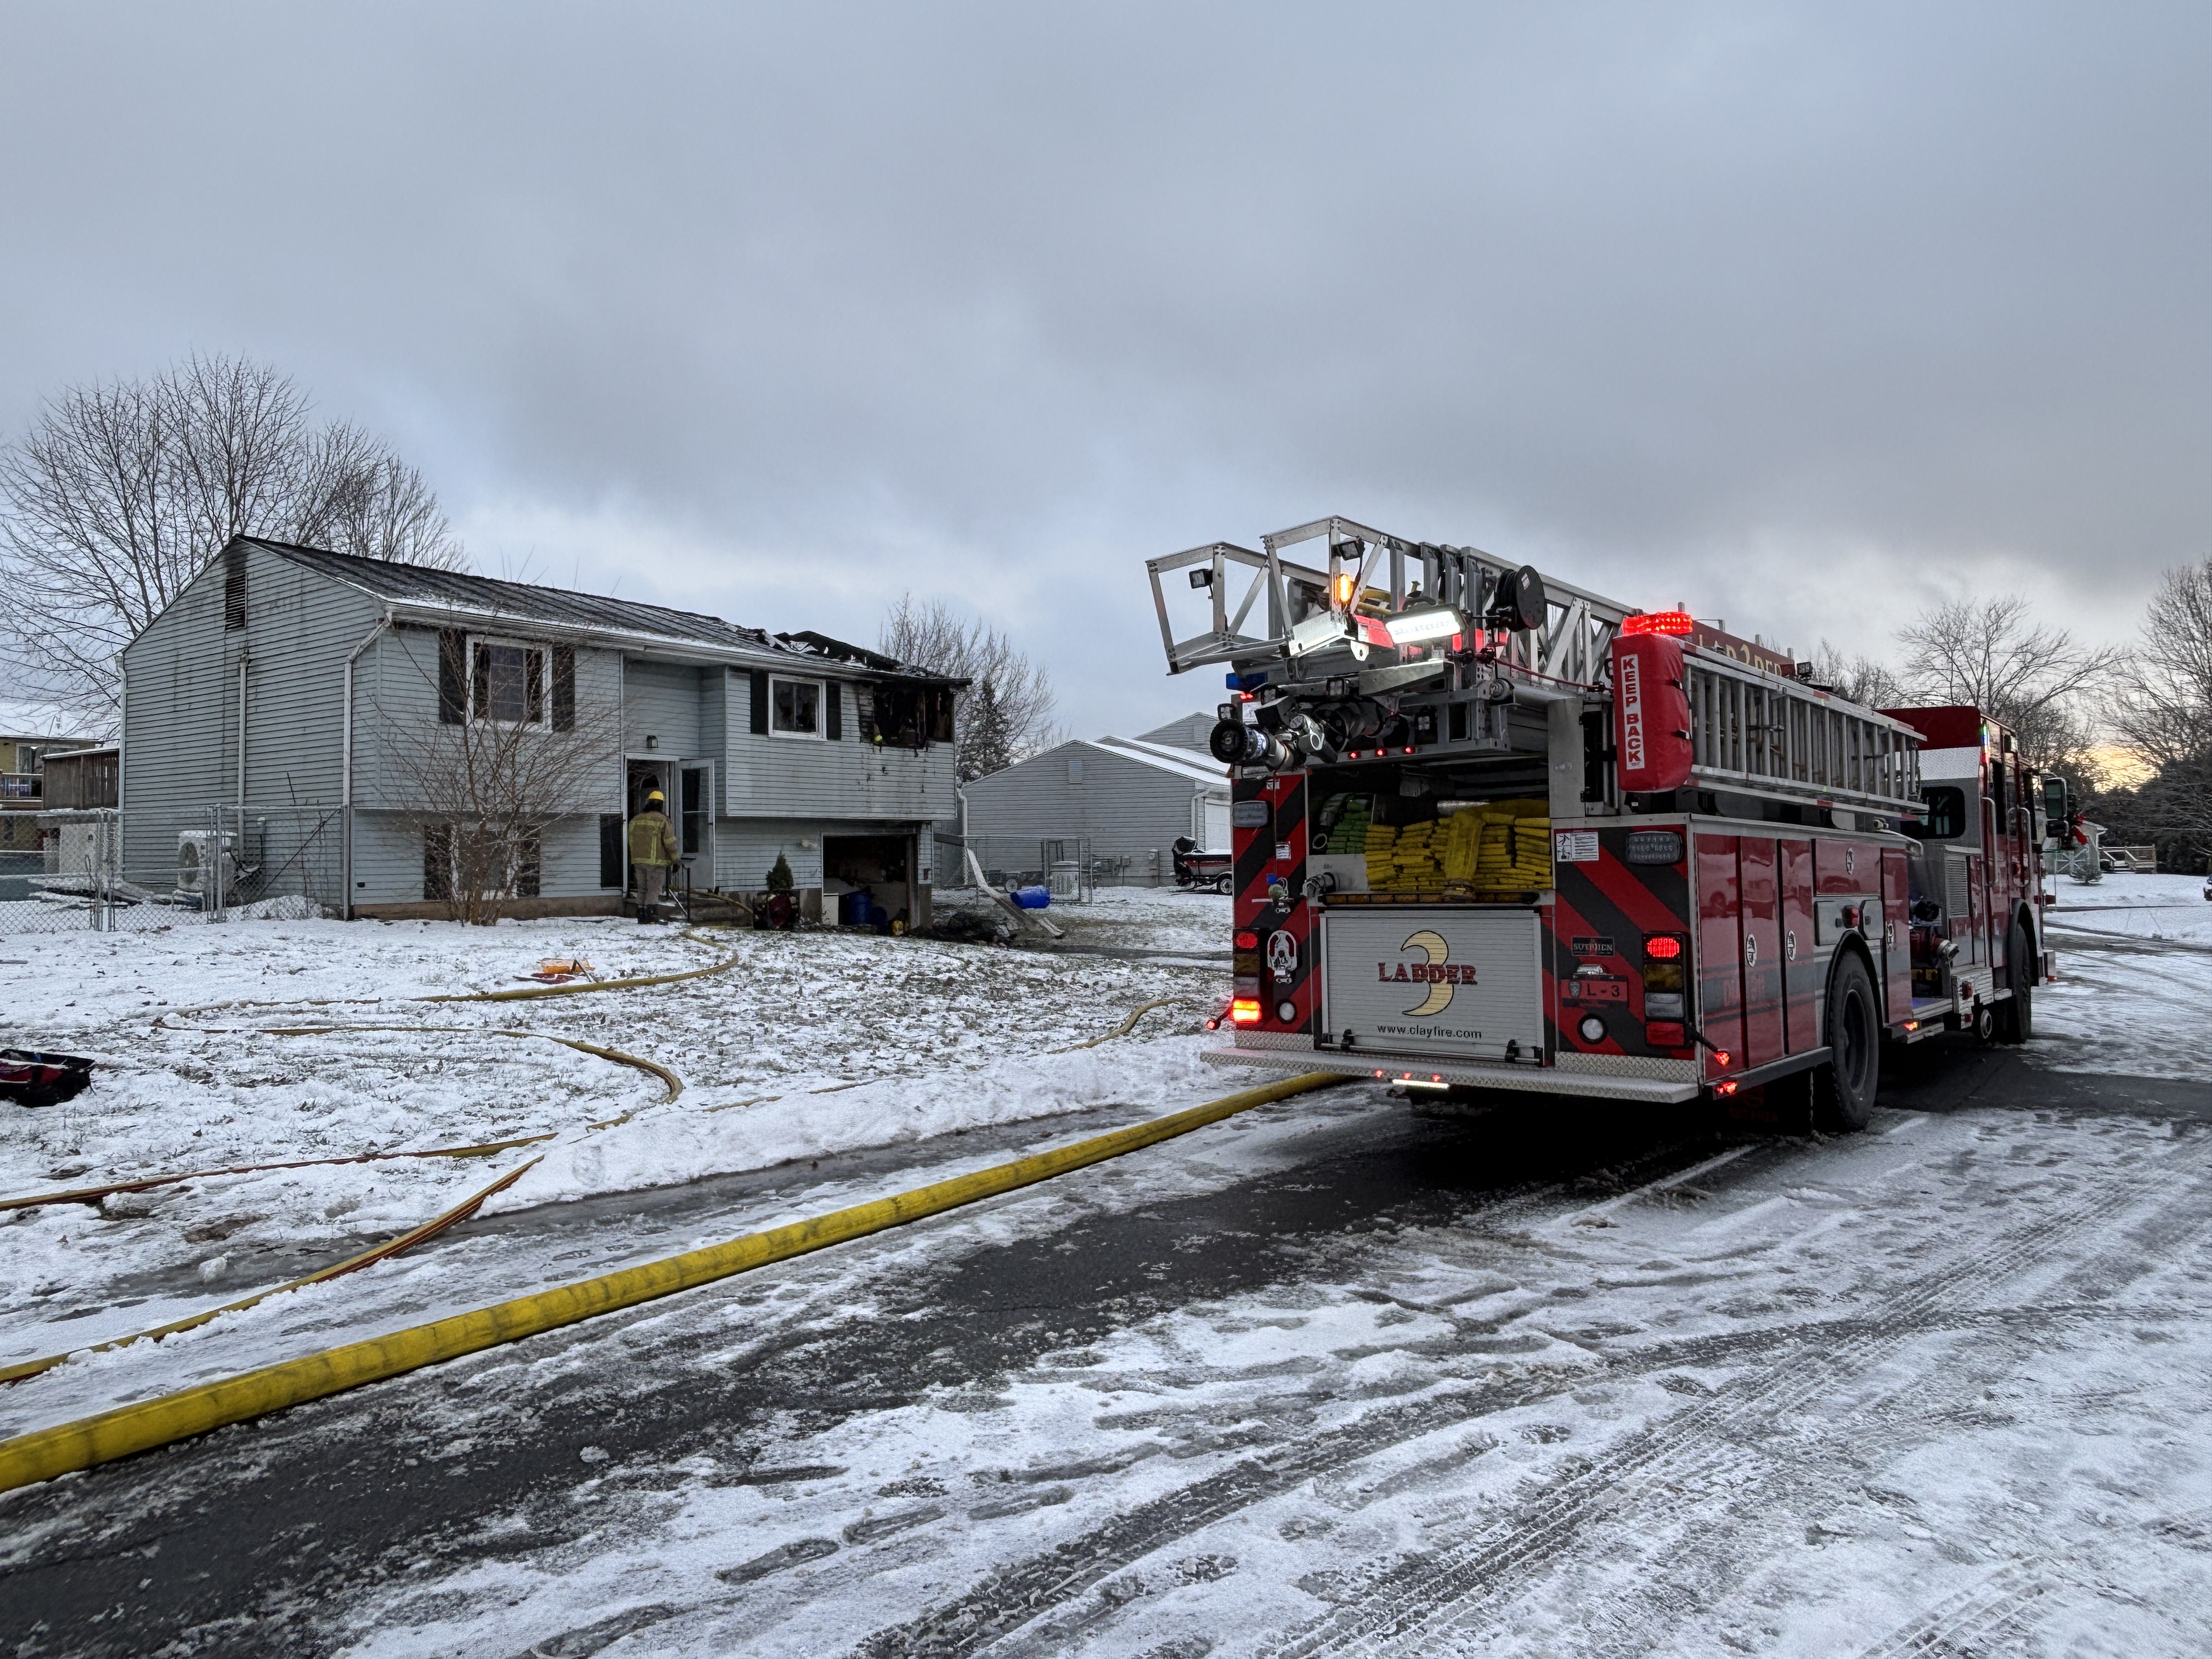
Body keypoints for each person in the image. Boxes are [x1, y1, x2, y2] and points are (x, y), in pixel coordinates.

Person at [628, 789, 680, 923]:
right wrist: (676, 860)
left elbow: (631, 840)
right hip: (656, 862)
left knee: (642, 888)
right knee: (654, 889)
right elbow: (669, 842)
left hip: (638, 860)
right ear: (661, 805)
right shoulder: (663, 820)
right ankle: (650, 915)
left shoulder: (635, 820)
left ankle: (641, 913)